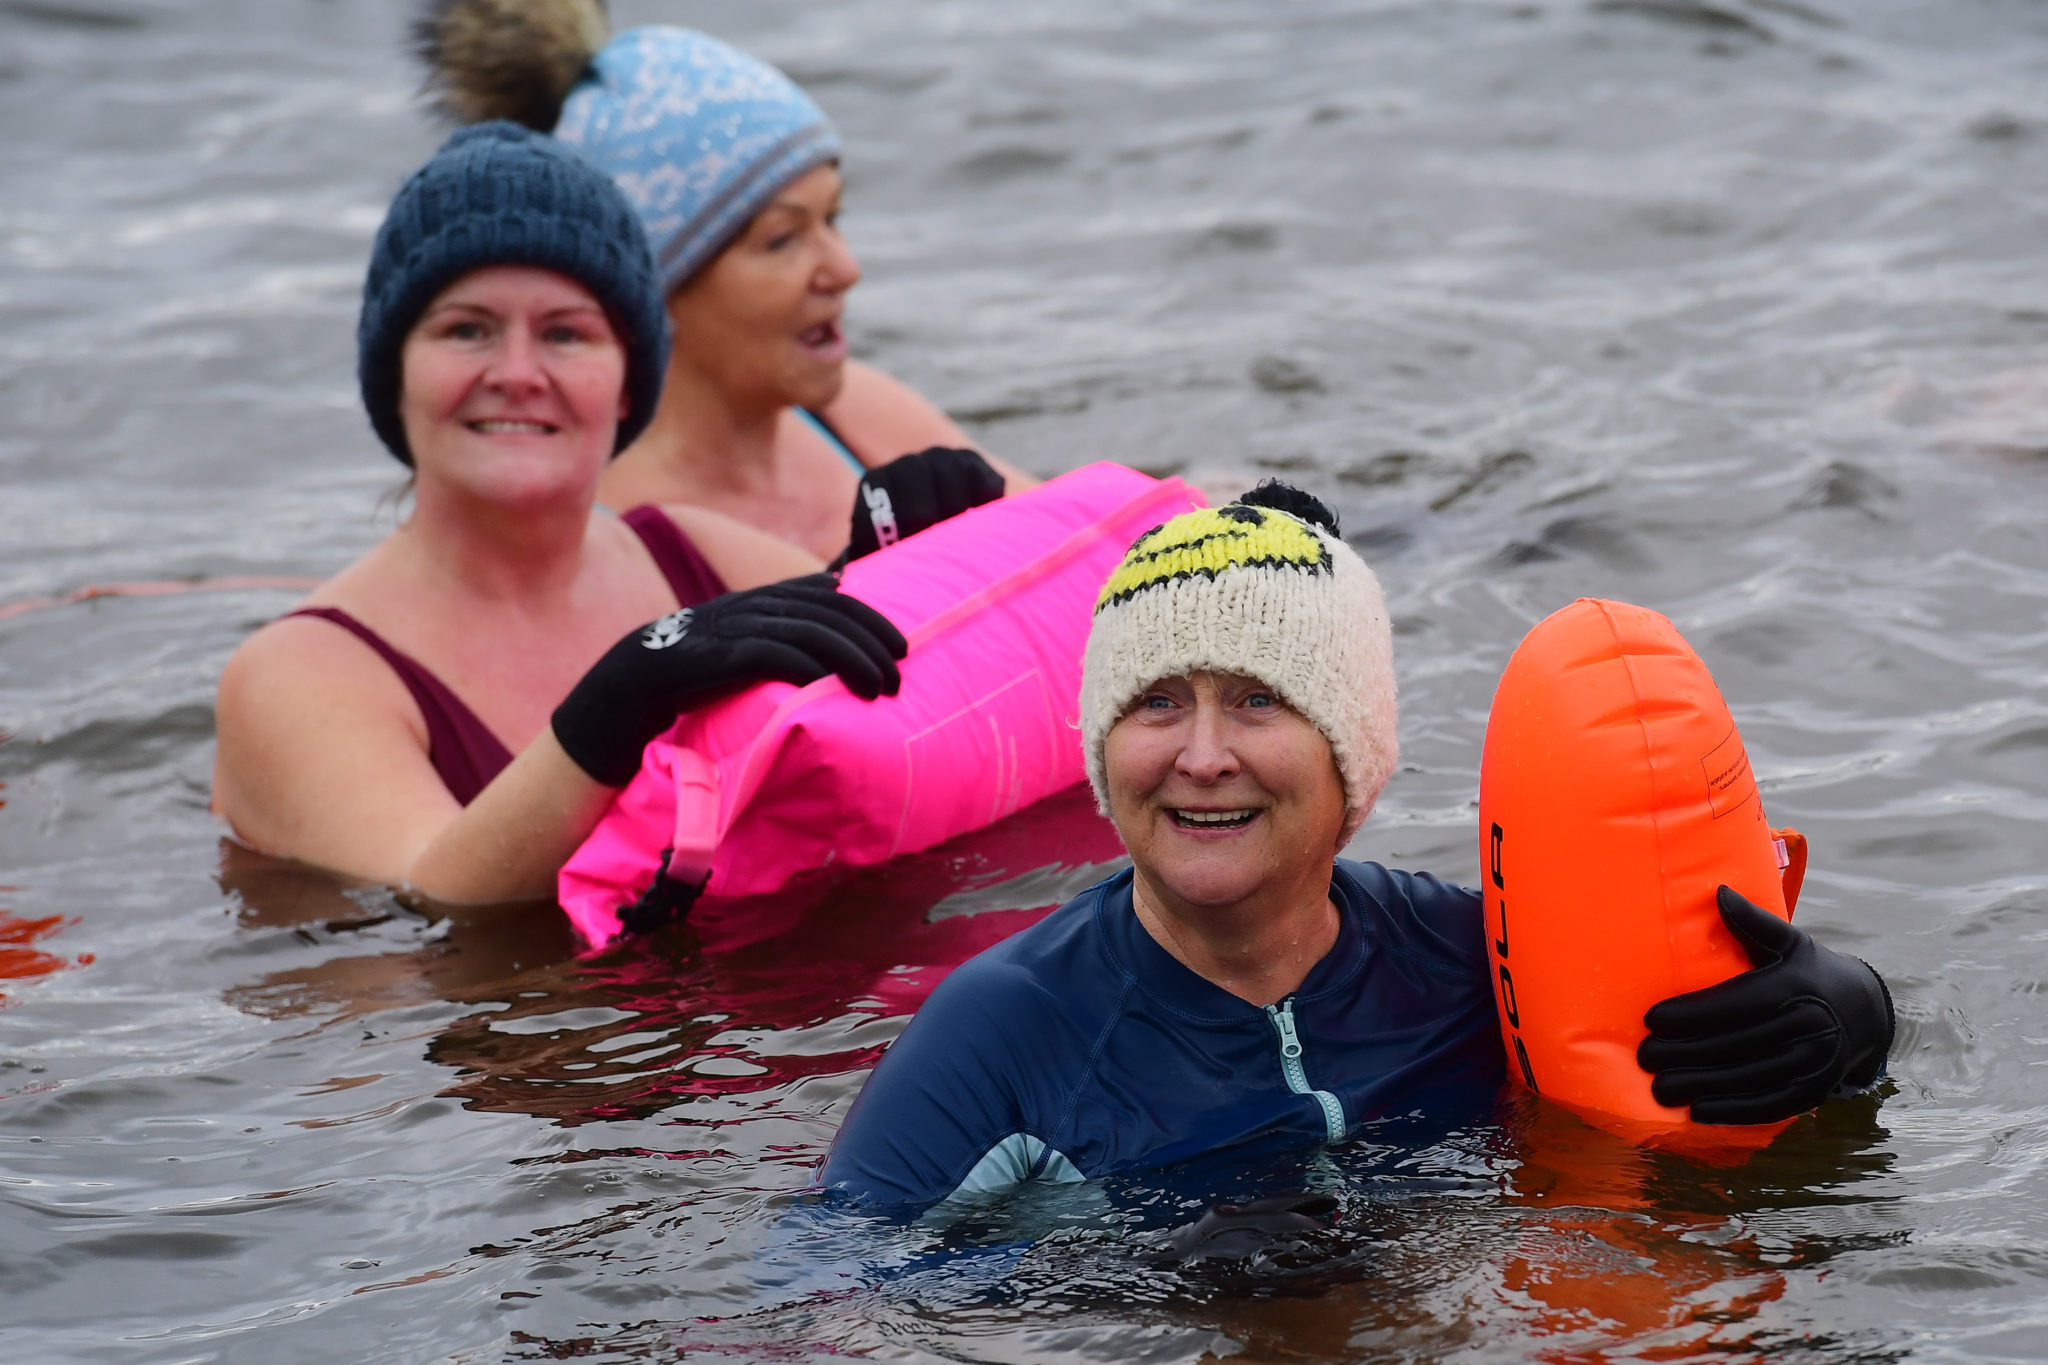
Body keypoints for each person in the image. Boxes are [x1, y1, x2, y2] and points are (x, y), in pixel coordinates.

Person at [819, 484, 1896, 1214]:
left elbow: (1737, 1120)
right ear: (1101, 750)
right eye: (1155, 702)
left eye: (1256, 700)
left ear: (1354, 757)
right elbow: (818, 1297)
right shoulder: (1003, 1037)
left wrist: (1853, 1025)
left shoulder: (1478, 968)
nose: (1201, 755)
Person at [212, 123, 911, 905]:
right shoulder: (295, 675)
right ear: (395, 374)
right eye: (467, 329)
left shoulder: (702, 554)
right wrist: (618, 704)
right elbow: (431, 900)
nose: (517, 373)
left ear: (626, 384)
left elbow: (917, 699)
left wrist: (919, 552)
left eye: (566, 333)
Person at [415, 0, 1037, 562]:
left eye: (833, 218)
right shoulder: (601, 537)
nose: (844, 269)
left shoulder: (855, 415)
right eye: (782, 239)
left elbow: (1100, 545)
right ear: (656, 295)